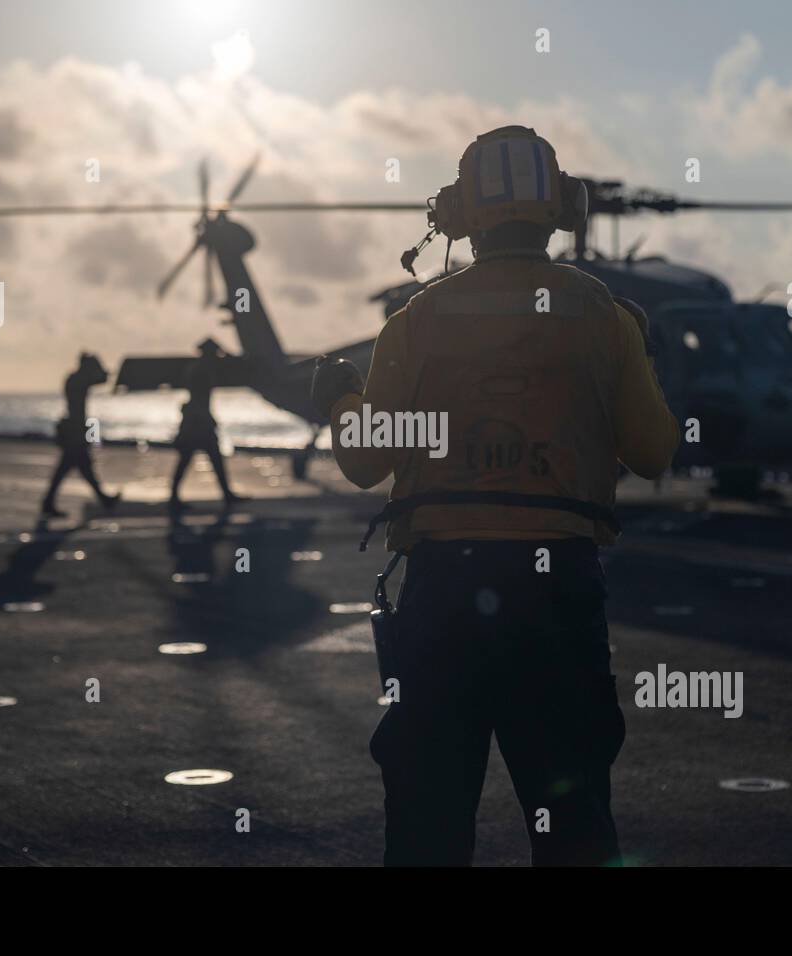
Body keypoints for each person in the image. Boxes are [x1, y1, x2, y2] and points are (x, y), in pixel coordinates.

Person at [311, 126, 679, 867]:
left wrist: (342, 398)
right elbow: (653, 452)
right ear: (562, 210)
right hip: (559, 595)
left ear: (455, 215)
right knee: (573, 821)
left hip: (446, 594)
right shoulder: (603, 317)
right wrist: (635, 357)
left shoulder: (417, 322)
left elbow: (364, 461)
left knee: (428, 823)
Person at [41, 352, 121, 518]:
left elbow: (99, 379)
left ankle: (103, 498)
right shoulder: (78, 380)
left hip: (75, 427)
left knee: (77, 468)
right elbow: (101, 379)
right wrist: (100, 366)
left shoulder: (74, 379)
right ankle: (104, 499)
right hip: (75, 429)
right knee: (79, 467)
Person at [170, 338, 242, 510]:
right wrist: (207, 419)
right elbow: (200, 400)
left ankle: (226, 494)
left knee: (195, 460)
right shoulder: (201, 371)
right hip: (198, 422)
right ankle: (226, 495)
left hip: (196, 420)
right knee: (202, 459)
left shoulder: (198, 368)